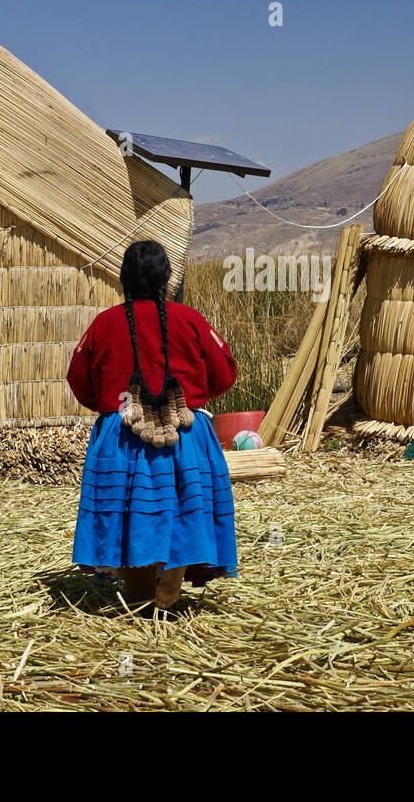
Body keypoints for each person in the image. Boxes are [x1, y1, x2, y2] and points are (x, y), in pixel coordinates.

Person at [66, 240, 239, 609]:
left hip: (122, 437)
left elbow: (78, 378)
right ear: (166, 278)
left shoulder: (104, 323)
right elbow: (224, 371)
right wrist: (190, 396)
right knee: (181, 508)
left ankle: (143, 599)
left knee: (133, 517)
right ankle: (172, 575)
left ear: (124, 278)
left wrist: (111, 406)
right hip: (185, 435)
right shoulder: (190, 319)